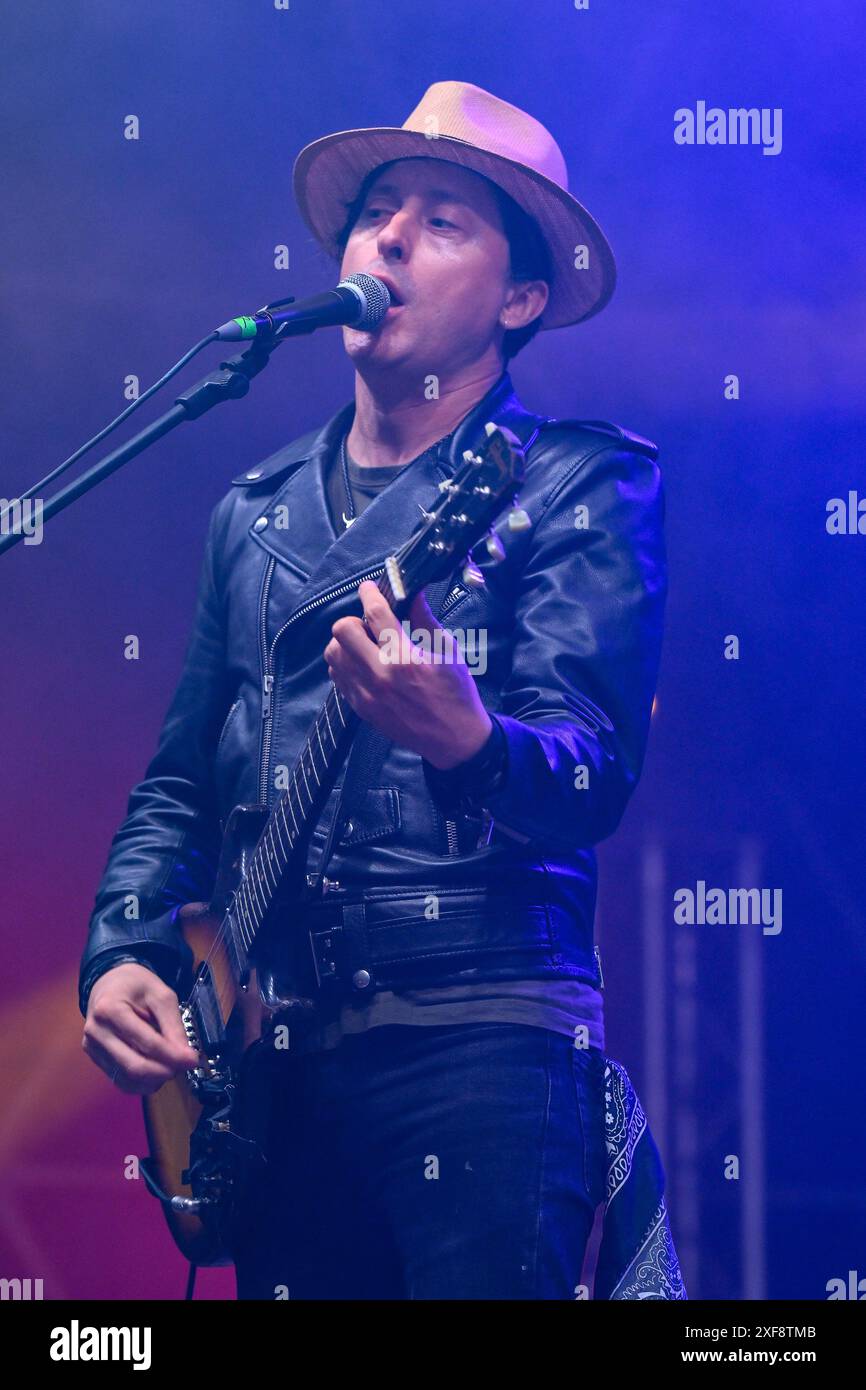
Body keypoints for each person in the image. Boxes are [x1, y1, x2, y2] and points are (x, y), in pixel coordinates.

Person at [79, 81, 667, 1299]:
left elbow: (591, 773)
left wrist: (472, 743)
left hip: (481, 1045)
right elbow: (181, 781)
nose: (386, 239)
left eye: (442, 220)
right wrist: (122, 948)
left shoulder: (570, 484)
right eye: (376, 212)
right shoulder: (253, 512)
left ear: (518, 300)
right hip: (275, 1070)